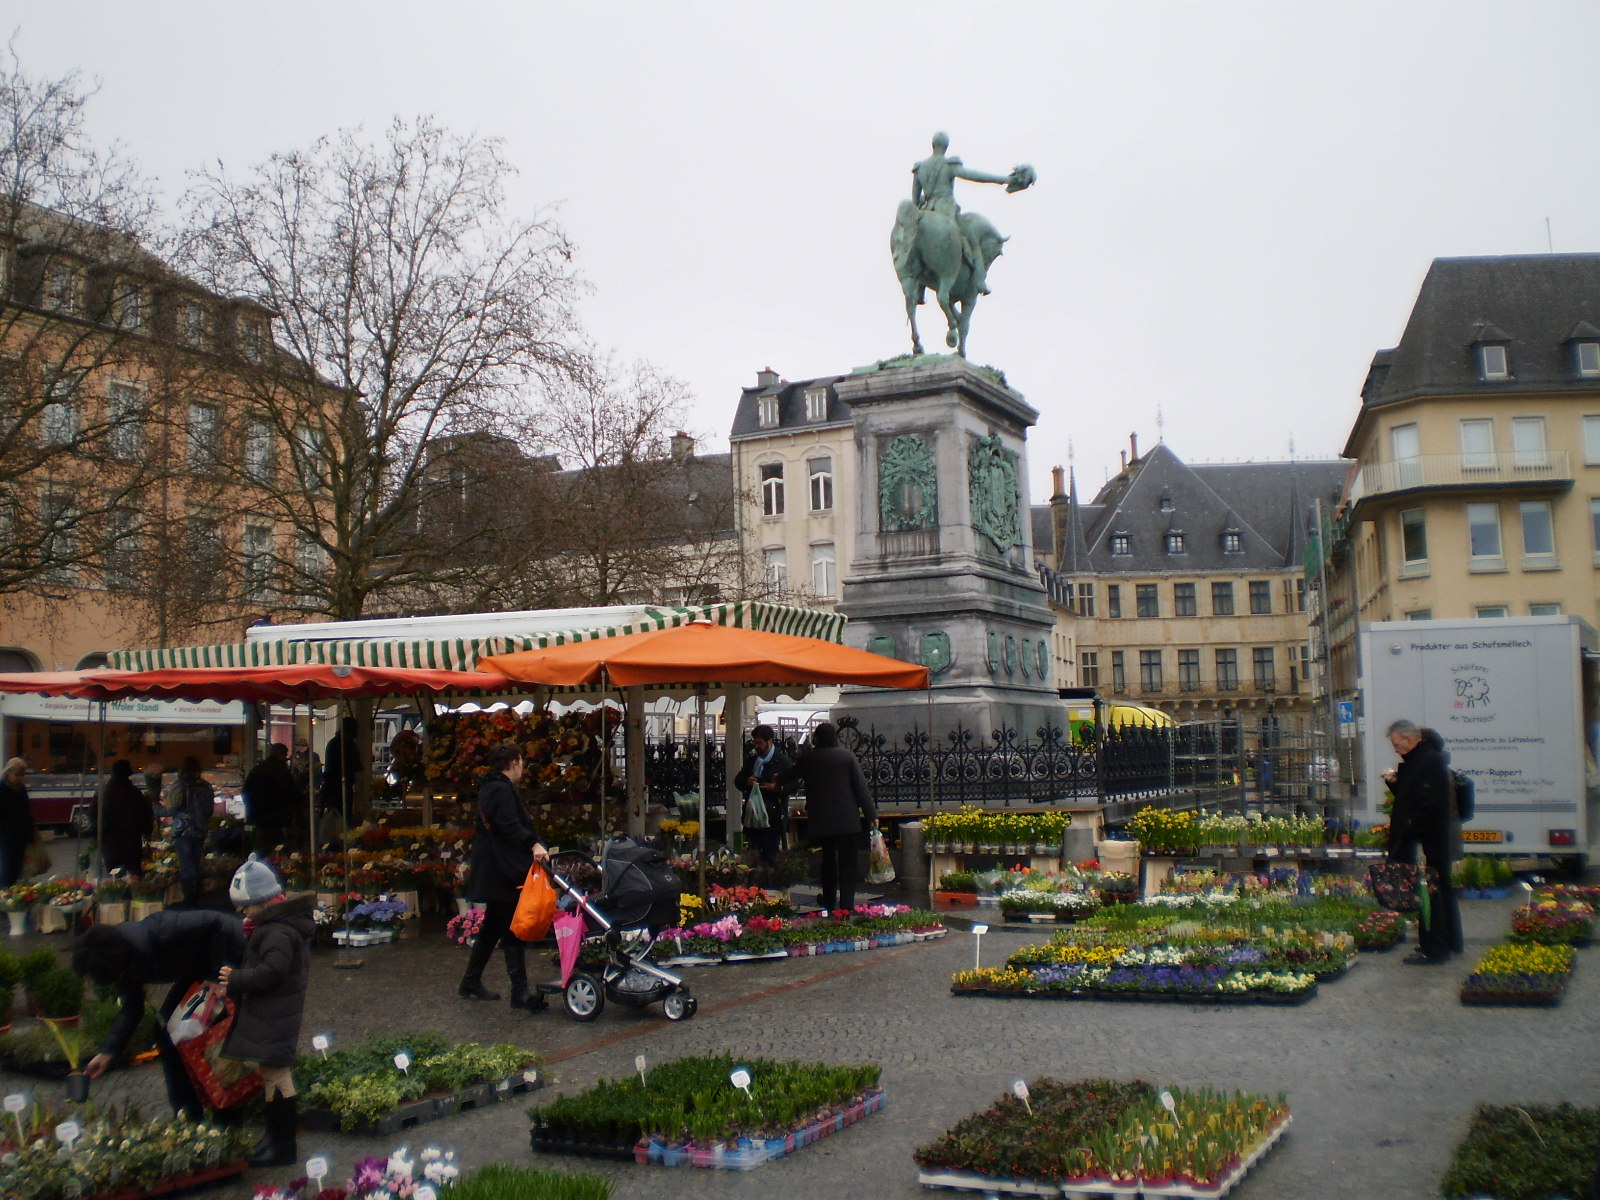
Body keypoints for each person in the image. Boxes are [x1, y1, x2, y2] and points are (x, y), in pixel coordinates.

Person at [72, 905, 246, 1119]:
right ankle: (187, 1114)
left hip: (229, 956)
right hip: (198, 968)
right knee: (167, 1034)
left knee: (216, 1035)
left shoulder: (163, 931)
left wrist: (214, 974)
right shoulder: (122, 960)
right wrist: (107, 1053)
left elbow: (215, 925)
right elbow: (133, 1008)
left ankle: (227, 1118)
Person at [217, 857, 314, 1168]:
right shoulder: (277, 927)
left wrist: (236, 979)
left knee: (277, 1074)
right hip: (276, 1011)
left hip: (276, 1013)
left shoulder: (276, 932)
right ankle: (275, 1138)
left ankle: (282, 1145)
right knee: (271, 1073)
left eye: (246, 906)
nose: (242, 912)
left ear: (261, 901)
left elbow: (272, 972)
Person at [458, 741, 549, 1010]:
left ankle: (471, 981)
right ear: (514, 763)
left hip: (496, 867)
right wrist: (532, 844)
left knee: (493, 926)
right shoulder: (499, 789)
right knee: (512, 927)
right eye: (521, 762)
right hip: (501, 869)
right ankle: (519, 992)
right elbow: (509, 825)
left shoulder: (494, 787)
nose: (523, 767)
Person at [1383, 719, 1463, 964]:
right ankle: (1448, 941)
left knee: (1431, 894)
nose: (1396, 749)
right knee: (1440, 892)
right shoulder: (1422, 760)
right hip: (1431, 841)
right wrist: (1395, 784)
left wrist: (1410, 829)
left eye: (1397, 744)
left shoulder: (1427, 761)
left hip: (1428, 843)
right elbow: (1412, 796)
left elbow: (1427, 805)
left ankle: (1434, 948)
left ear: (1410, 739)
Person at [785, 722, 877, 914]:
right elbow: (860, 787)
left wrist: (775, 779)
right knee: (848, 863)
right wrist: (871, 814)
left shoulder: (810, 758)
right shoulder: (847, 756)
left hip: (822, 820)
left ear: (817, 738)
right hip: (847, 820)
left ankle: (828, 899)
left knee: (827, 860)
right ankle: (846, 904)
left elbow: (791, 775)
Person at [734, 724, 794, 881]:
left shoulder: (782, 761)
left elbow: (793, 785)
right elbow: (738, 780)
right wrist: (747, 781)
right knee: (752, 856)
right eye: (755, 743)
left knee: (770, 855)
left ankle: (769, 884)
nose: (757, 746)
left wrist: (776, 788)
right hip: (753, 817)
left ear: (770, 741)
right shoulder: (752, 761)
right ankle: (753, 885)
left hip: (772, 817)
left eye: (760, 743)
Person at [164, 757, 215, 907]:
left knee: (186, 863)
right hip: (200, 829)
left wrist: (154, 806)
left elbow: (170, 809)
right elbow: (209, 810)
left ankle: (189, 898)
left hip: (183, 829)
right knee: (195, 860)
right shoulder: (205, 786)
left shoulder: (179, 786)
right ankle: (198, 895)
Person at [100, 758, 154, 876]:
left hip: (110, 846)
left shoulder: (103, 793)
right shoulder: (134, 793)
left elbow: (94, 817)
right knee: (133, 879)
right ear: (128, 775)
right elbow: (145, 818)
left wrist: (103, 832)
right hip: (131, 846)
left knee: (113, 879)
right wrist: (146, 832)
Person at [243, 743, 297, 855]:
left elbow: (245, 791)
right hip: (277, 815)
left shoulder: (257, 769)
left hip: (259, 816)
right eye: (285, 756)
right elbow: (291, 793)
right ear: (280, 755)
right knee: (277, 847)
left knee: (262, 845)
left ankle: (260, 862)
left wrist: (252, 809)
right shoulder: (281, 771)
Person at [0, 757, 38, 887]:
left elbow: (26, 811)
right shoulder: (2, 788)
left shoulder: (21, 788)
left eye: (22, 775)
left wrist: (30, 833)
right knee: (7, 868)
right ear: (8, 772)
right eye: (17, 775)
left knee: (16, 868)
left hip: (20, 835)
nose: (20, 778)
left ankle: (12, 891)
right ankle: (4, 893)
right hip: (6, 836)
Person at [318, 716, 362, 826]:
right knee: (342, 817)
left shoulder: (333, 743)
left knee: (336, 816)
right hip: (340, 786)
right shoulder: (346, 744)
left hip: (332, 785)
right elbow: (356, 765)